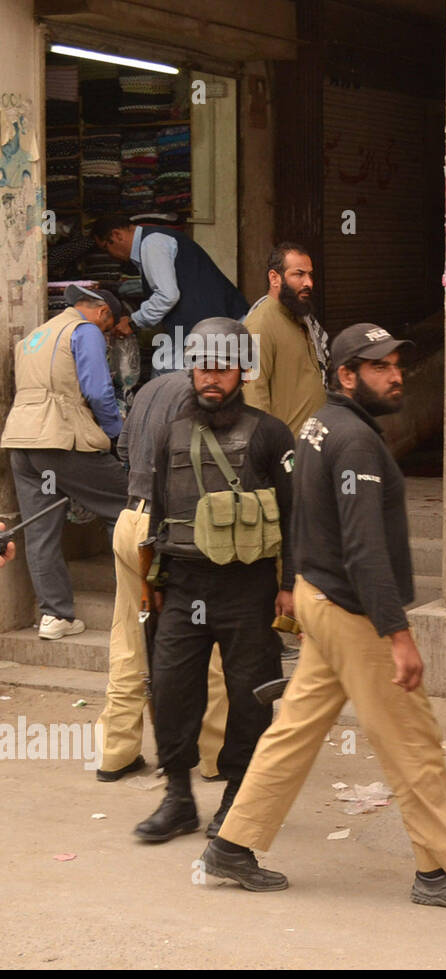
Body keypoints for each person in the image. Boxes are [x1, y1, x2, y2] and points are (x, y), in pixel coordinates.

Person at [197, 323, 446, 912]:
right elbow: (365, 550)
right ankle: (440, 871)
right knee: (413, 740)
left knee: (294, 730)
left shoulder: (319, 424)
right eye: (380, 367)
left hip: (320, 596)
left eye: (396, 366)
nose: (395, 377)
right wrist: (398, 635)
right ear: (345, 376)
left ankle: (232, 844)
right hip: (351, 611)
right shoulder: (357, 444)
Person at [134, 317, 294, 843]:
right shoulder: (171, 431)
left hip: (248, 589)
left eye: (223, 367)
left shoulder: (270, 433)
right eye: (203, 365)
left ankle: (236, 798)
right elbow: (157, 509)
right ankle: (177, 797)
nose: (211, 377)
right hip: (182, 587)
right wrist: (152, 578)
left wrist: (290, 585)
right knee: (174, 691)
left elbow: (297, 519)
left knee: (251, 697)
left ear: (242, 371)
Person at [94, 369, 229, 783]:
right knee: (211, 643)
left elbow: (122, 452)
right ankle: (215, 755)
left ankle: (115, 754)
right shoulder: (208, 396)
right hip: (176, 529)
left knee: (128, 638)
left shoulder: (150, 388)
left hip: (131, 519)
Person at [1, 284, 128, 639]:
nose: (105, 334)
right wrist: (118, 432)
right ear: (103, 313)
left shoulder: (33, 337)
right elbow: (98, 390)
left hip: (22, 444)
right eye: (109, 327)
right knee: (128, 506)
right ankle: (137, 604)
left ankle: (55, 615)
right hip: (59, 439)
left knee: (40, 531)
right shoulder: (84, 330)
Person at [90, 214, 249, 375]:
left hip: (210, 326)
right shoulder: (152, 241)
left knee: (168, 378)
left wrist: (134, 322)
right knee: (165, 373)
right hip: (206, 324)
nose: (110, 255)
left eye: (106, 248)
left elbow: (167, 295)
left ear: (117, 235)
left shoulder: (152, 244)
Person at [242, 243, 328, 435]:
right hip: (288, 453)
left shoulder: (300, 317)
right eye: (299, 274)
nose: (309, 283)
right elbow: (254, 399)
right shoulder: (260, 325)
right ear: (274, 278)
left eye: (310, 275)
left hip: (313, 447)